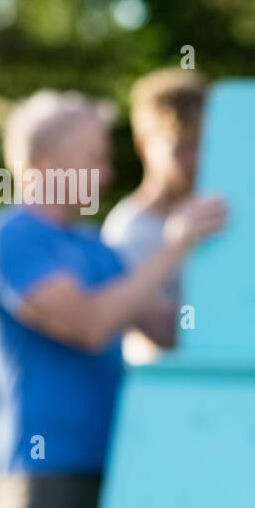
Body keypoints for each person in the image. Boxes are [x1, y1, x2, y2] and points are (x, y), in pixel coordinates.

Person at [0, 89, 227, 508]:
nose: (108, 173)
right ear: (46, 164)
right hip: (47, 473)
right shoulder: (9, 237)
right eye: (94, 156)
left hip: (115, 465)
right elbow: (89, 324)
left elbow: (163, 329)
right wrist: (172, 246)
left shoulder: (92, 249)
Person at [101, 69, 207, 364]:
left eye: (203, 145)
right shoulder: (128, 230)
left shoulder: (214, 217)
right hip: (162, 393)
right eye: (182, 147)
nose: (196, 160)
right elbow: (162, 332)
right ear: (144, 145)